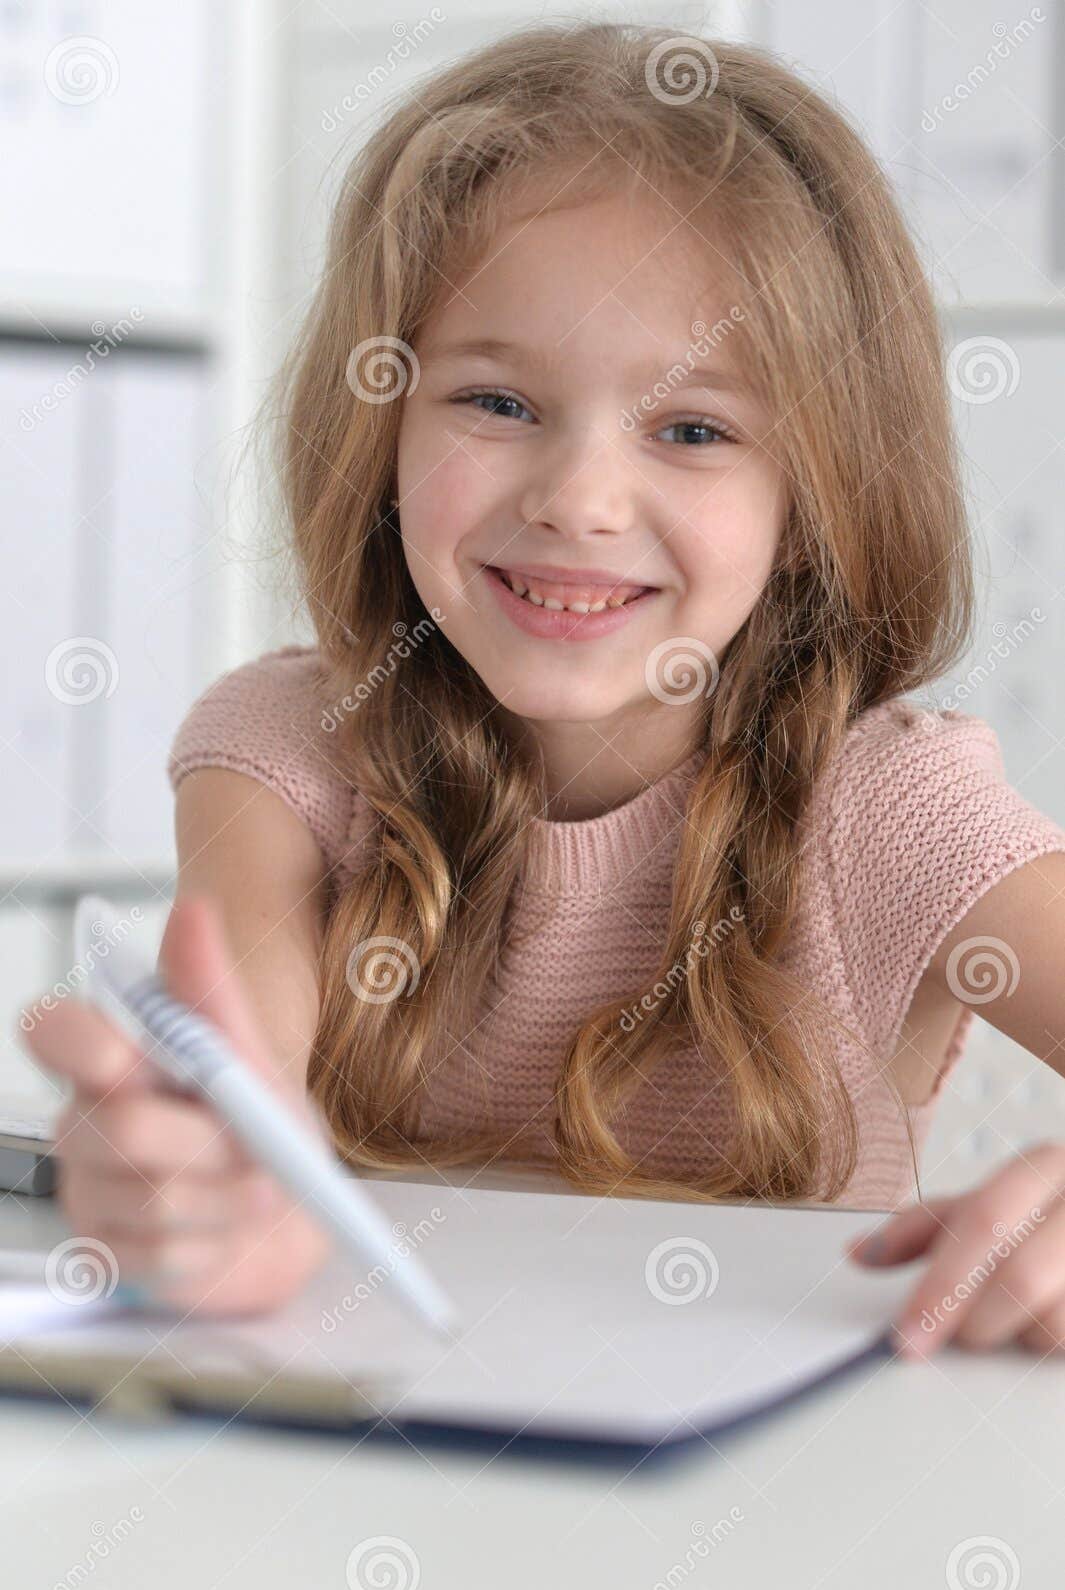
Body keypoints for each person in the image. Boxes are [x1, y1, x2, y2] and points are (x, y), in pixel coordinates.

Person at [21, 22, 1065, 1354]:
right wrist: (206, 1180)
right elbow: (251, 1080)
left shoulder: (891, 805)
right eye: (495, 402)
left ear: (816, 500)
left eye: (691, 429)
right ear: (381, 430)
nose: (576, 499)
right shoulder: (283, 748)